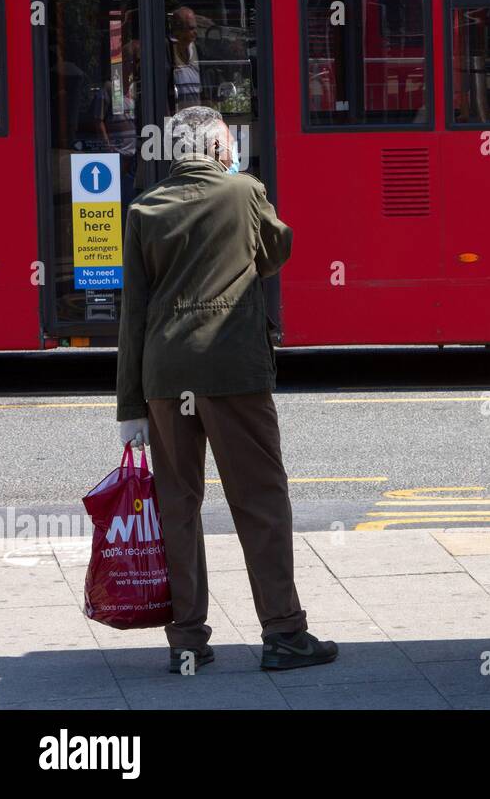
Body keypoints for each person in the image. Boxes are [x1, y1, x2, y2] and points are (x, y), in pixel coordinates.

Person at [115, 105, 337, 675]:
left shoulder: (144, 208)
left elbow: (132, 314)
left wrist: (129, 407)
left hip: (165, 375)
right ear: (219, 148)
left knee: (178, 506)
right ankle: (284, 633)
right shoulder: (244, 191)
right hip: (232, 369)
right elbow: (278, 250)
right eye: (230, 144)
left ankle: (186, 639)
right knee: (259, 499)